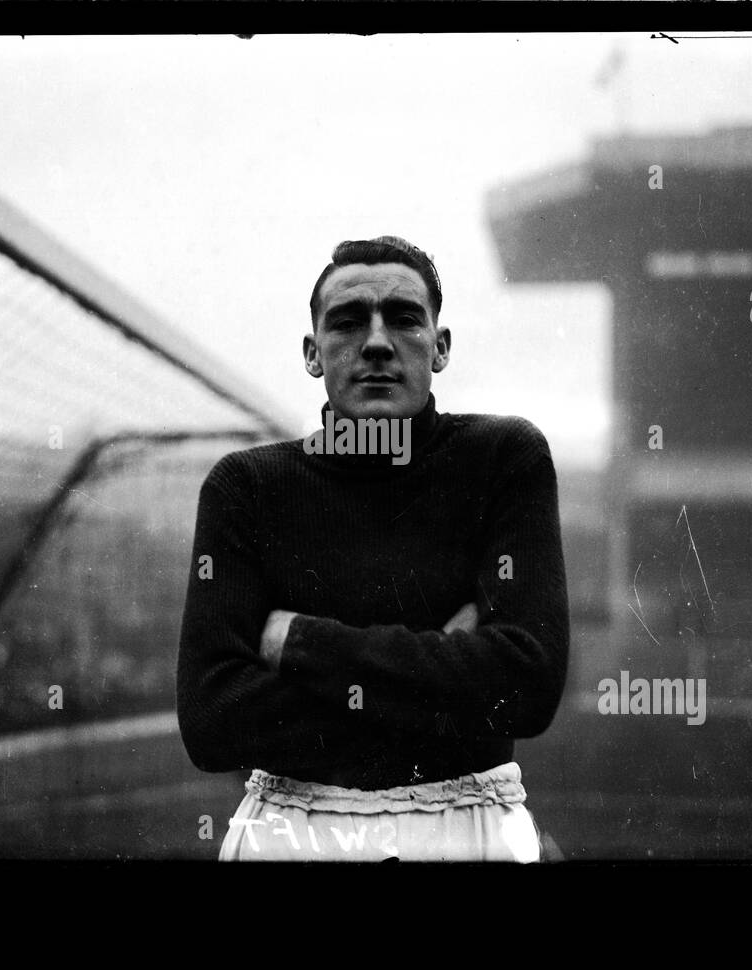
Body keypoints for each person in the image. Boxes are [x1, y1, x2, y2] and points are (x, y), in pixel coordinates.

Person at [177, 235, 570, 861]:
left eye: (405, 317)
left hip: (469, 824)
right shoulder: (247, 486)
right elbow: (211, 721)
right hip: (290, 831)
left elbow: (527, 685)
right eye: (349, 321)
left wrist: (301, 642)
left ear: (440, 347)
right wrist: (448, 667)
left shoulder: (503, 459)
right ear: (313, 353)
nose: (379, 342)